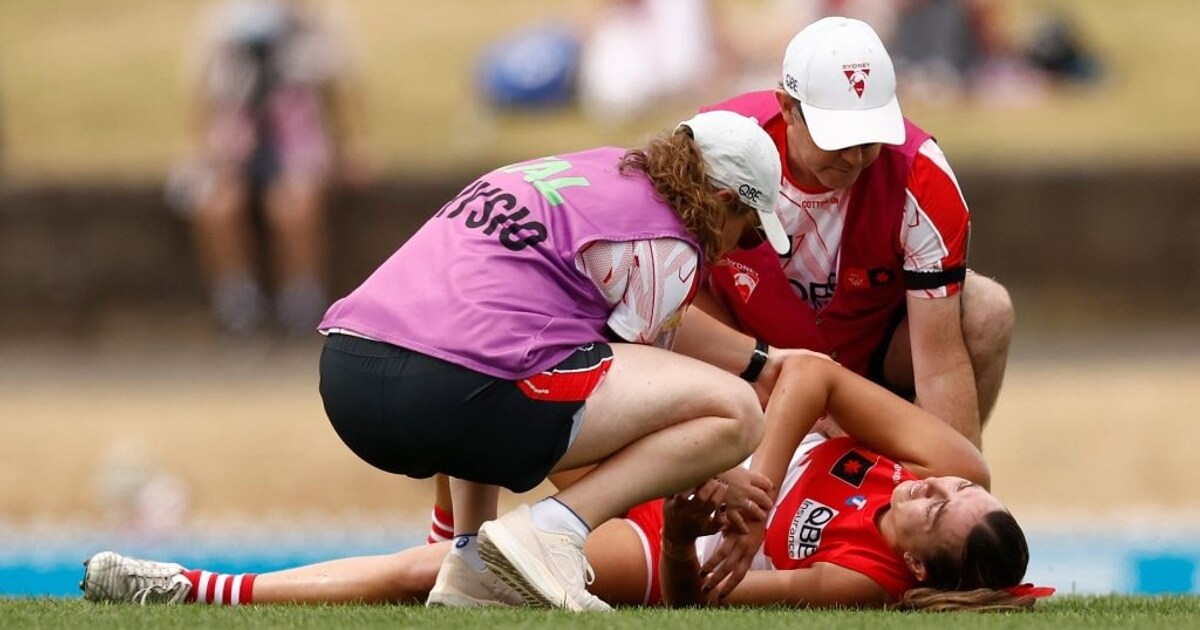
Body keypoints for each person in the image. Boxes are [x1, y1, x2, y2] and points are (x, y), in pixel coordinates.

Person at [85, 110, 803, 612]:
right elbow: (611, 415)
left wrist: (466, 541)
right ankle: (546, 537)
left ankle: (462, 553)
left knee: (525, 358)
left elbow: (507, 326)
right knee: (731, 410)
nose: (735, 249)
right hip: (454, 388)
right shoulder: (670, 244)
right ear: (717, 199)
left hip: (349, 374)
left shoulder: (581, 172)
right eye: (745, 231)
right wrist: (722, 472)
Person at [81, 354, 1050, 611]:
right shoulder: (949, 462)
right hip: (706, 457)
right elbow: (813, 374)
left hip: (671, 530)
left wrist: (688, 525)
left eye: (941, 513)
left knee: (434, 575)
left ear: (922, 570)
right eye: (952, 491)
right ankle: (452, 497)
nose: (933, 490)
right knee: (514, 400)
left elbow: (699, 598)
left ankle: (193, 587)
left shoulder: (862, 577)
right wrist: (755, 480)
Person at [688, 16, 1014, 449]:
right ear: (788, 108)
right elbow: (676, 294)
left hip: (871, 360)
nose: (856, 158)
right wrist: (755, 369)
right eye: (838, 137)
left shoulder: (922, 178)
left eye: (870, 136)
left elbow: (939, 363)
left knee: (986, 310)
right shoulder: (713, 151)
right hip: (744, 357)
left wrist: (960, 494)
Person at [174, 0, 369, 335]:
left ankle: (301, 301)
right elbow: (205, 94)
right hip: (236, 141)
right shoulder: (223, 21)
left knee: (291, 207)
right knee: (217, 206)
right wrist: (209, 151)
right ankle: (239, 304)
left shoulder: (318, 23)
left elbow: (337, 90)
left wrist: (347, 147)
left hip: (298, 143)